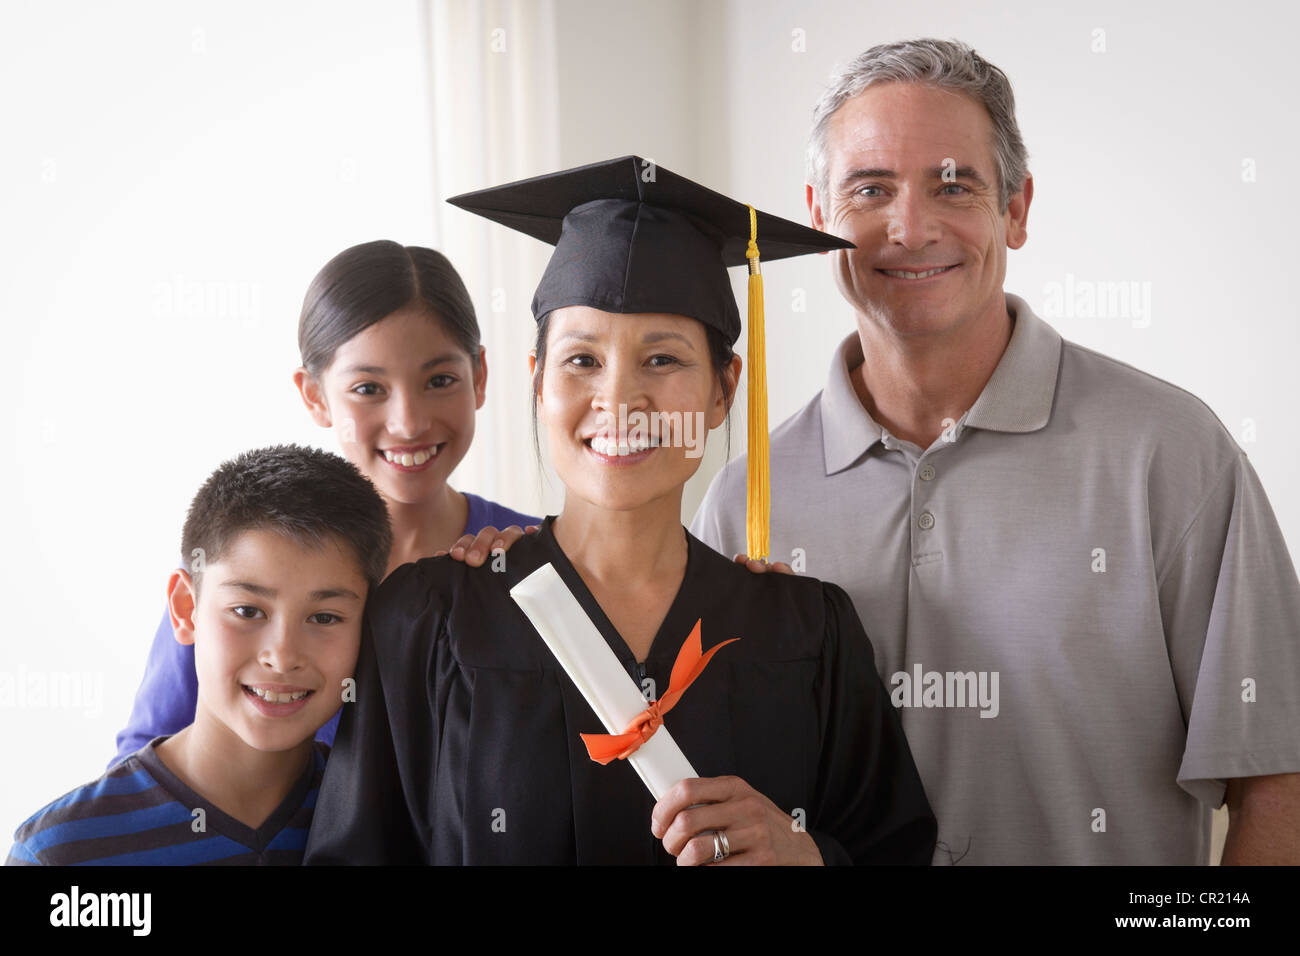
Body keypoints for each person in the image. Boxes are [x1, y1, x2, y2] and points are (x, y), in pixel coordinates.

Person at [690, 38, 1300, 865]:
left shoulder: (1172, 455)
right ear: (821, 213)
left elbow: (1277, 780)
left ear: (1015, 209)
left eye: (953, 185)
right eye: (870, 189)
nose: (909, 228)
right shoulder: (745, 499)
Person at [304, 157, 937, 865]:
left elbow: (893, 849)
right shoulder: (427, 620)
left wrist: (808, 857)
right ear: (538, 379)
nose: (619, 400)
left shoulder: (809, 632)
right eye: (581, 361)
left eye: (663, 360)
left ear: (724, 390)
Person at [111, 241, 538, 764]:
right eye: (367, 388)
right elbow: (142, 764)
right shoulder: (238, 562)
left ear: (480, 377)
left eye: (439, 380)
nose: (408, 421)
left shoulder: (530, 558)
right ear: (315, 396)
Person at [8, 445, 390, 865]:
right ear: (186, 609)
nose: (282, 656)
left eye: (324, 617)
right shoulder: (59, 854)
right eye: (247, 611)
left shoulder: (388, 825)